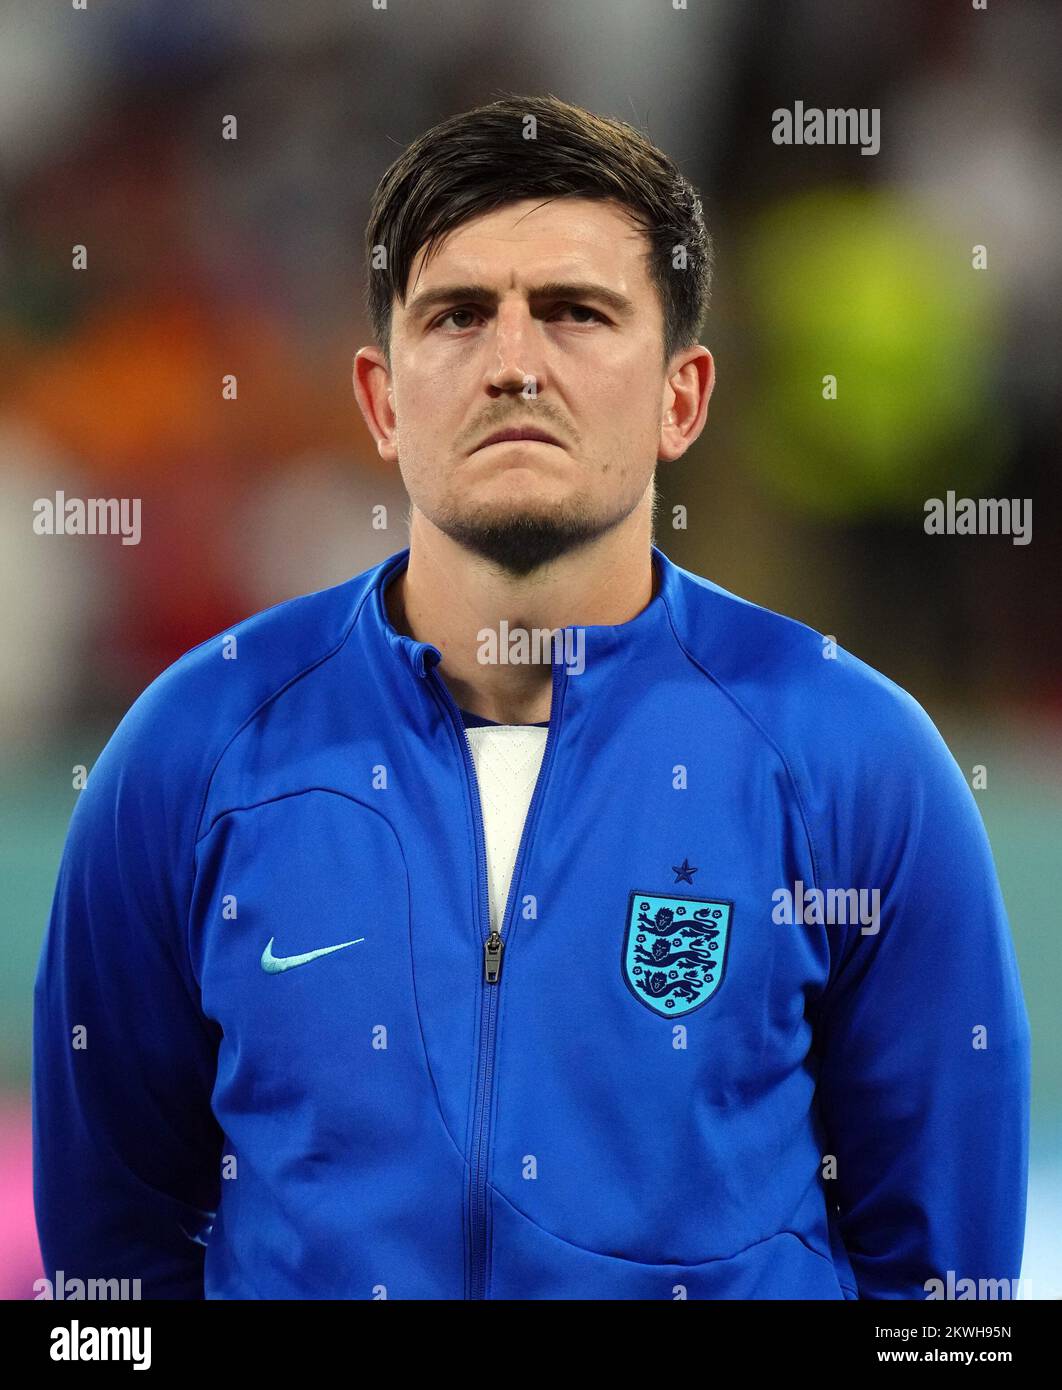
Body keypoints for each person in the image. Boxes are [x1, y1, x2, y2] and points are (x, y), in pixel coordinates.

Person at [33, 93, 1030, 1301]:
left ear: (683, 396)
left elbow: (947, 1290)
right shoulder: (191, 754)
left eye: (575, 312)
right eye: (458, 316)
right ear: (381, 400)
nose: (514, 363)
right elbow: (110, 1269)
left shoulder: (855, 760)